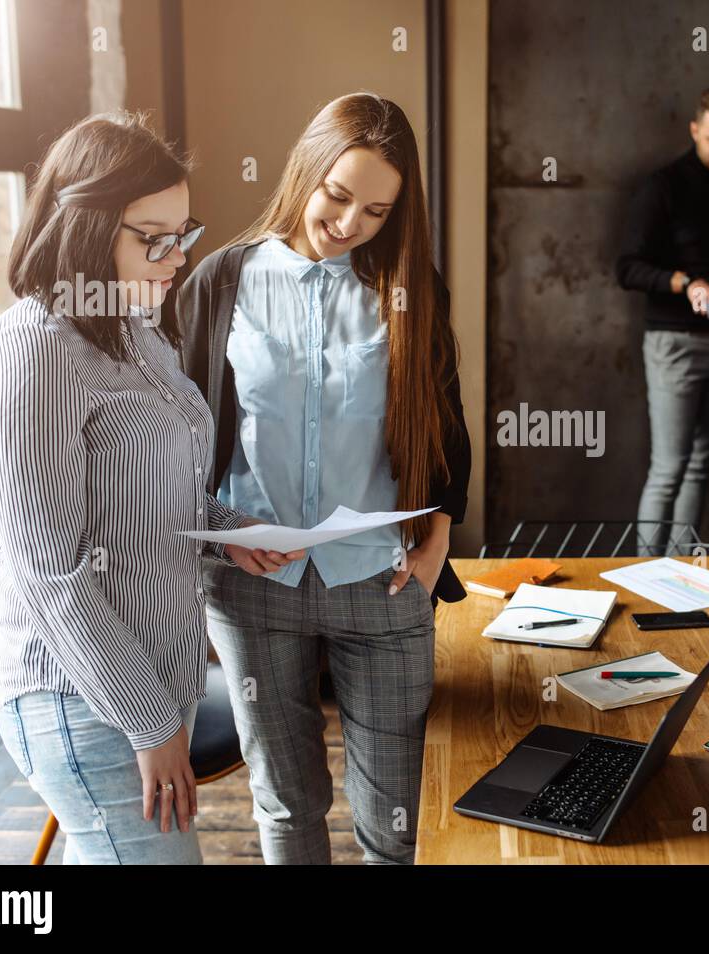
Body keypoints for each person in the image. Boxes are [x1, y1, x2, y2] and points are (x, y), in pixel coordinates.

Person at [0, 111, 300, 864]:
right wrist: (151, 725)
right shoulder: (33, 354)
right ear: (80, 227)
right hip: (85, 703)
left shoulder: (131, 329)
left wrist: (225, 529)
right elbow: (52, 574)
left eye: (184, 232)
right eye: (154, 237)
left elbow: (156, 489)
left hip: (150, 683)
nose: (177, 256)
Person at [178, 92, 471, 865]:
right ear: (305, 167)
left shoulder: (409, 286)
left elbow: (445, 427)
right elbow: (177, 437)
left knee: (395, 823)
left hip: (383, 580)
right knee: (286, 804)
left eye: (375, 211)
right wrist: (221, 531)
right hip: (250, 585)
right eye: (337, 196)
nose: (348, 224)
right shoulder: (220, 280)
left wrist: (438, 539)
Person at [616, 85, 709, 556]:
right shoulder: (663, 186)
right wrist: (686, 282)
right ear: (695, 129)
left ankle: (679, 573)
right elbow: (628, 269)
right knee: (669, 467)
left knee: (701, 466)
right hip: (673, 343)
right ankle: (642, 576)